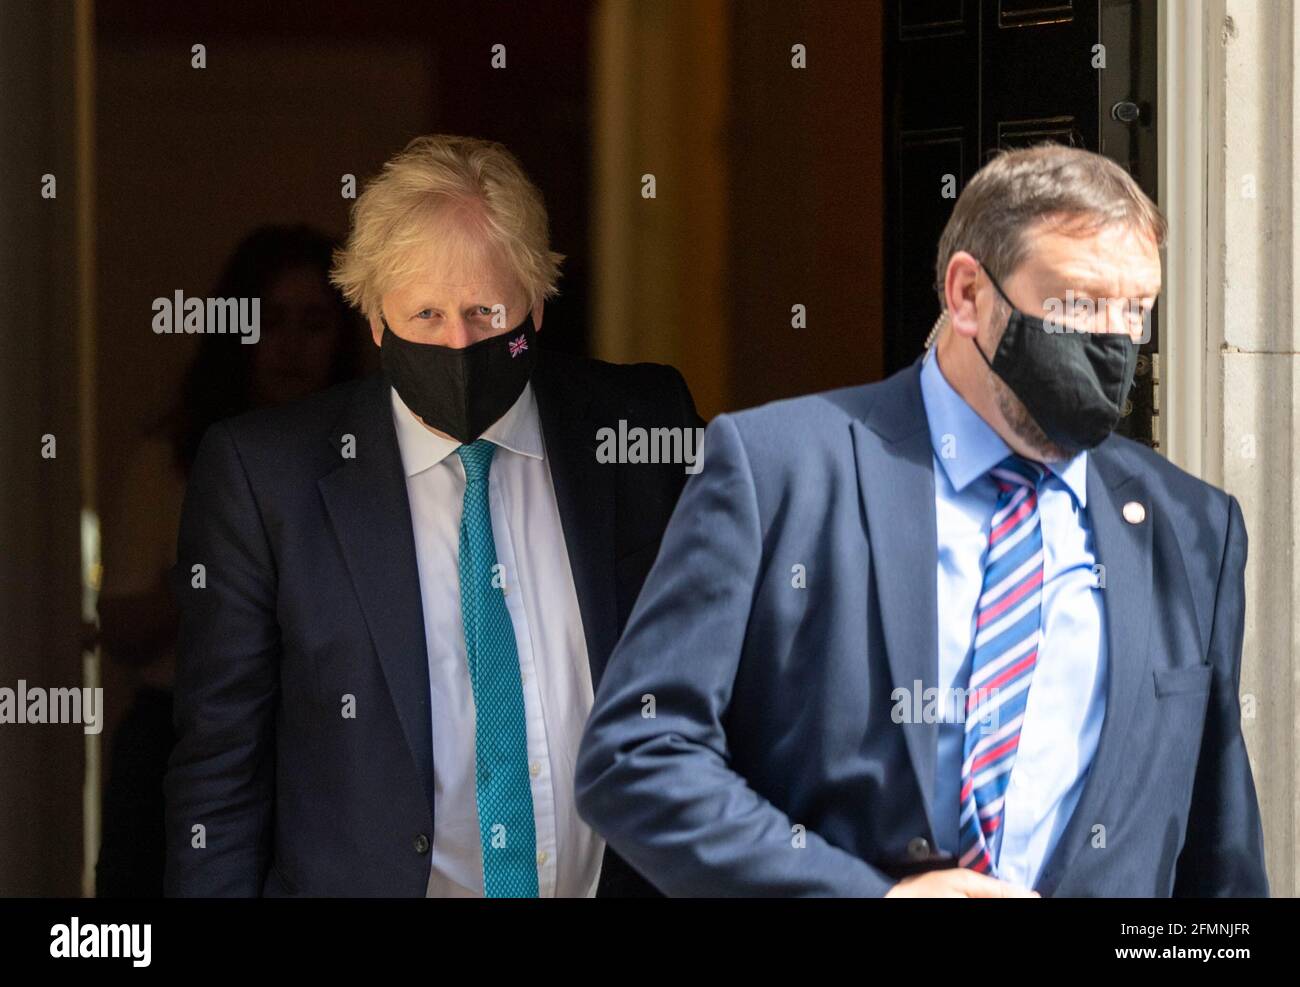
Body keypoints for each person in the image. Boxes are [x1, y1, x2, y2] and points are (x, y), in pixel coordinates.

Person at [575, 144, 1268, 897]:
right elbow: (636, 753)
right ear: (968, 293)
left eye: (1134, 312)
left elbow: (1218, 856)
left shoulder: (1193, 528)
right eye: (1078, 303)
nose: (1114, 342)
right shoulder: (779, 471)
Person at [164, 134, 701, 897]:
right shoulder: (267, 479)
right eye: (425, 314)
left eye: (487, 311)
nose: (457, 342)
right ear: (375, 322)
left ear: (537, 305)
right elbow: (220, 774)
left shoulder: (639, 427)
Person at [97, 224, 362, 897]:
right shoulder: (175, 456)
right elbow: (121, 626)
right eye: (270, 321)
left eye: (313, 323)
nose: (292, 346)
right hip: (179, 729)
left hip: (327, 742)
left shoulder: (374, 464)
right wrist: (223, 570)